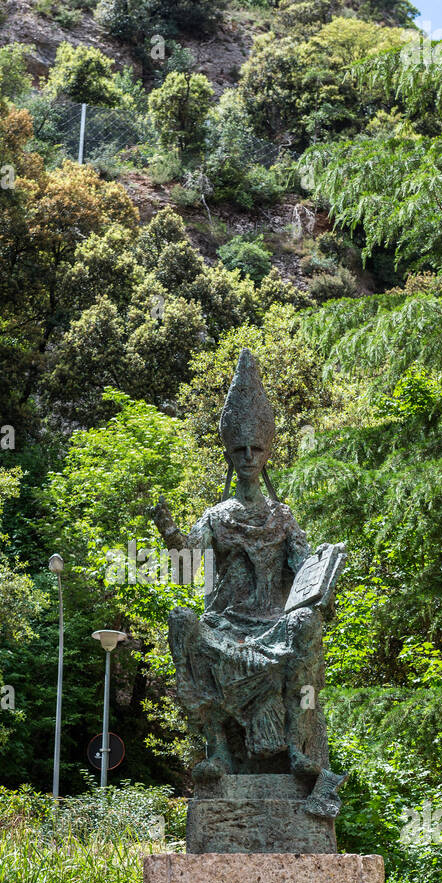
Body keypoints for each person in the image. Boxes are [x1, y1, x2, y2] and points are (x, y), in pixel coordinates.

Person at [150, 348, 347, 819]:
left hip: (273, 627)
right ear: (229, 451)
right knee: (181, 621)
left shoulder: (283, 518)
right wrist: (171, 534)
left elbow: (304, 571)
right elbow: (186, 563)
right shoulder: (217, 516)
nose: (247, 457)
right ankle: (216, 749)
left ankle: (298, 751)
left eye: (256, 449)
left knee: (304, 627)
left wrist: (324, 577)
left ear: (268, 452)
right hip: (226, 627)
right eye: (239, 449)